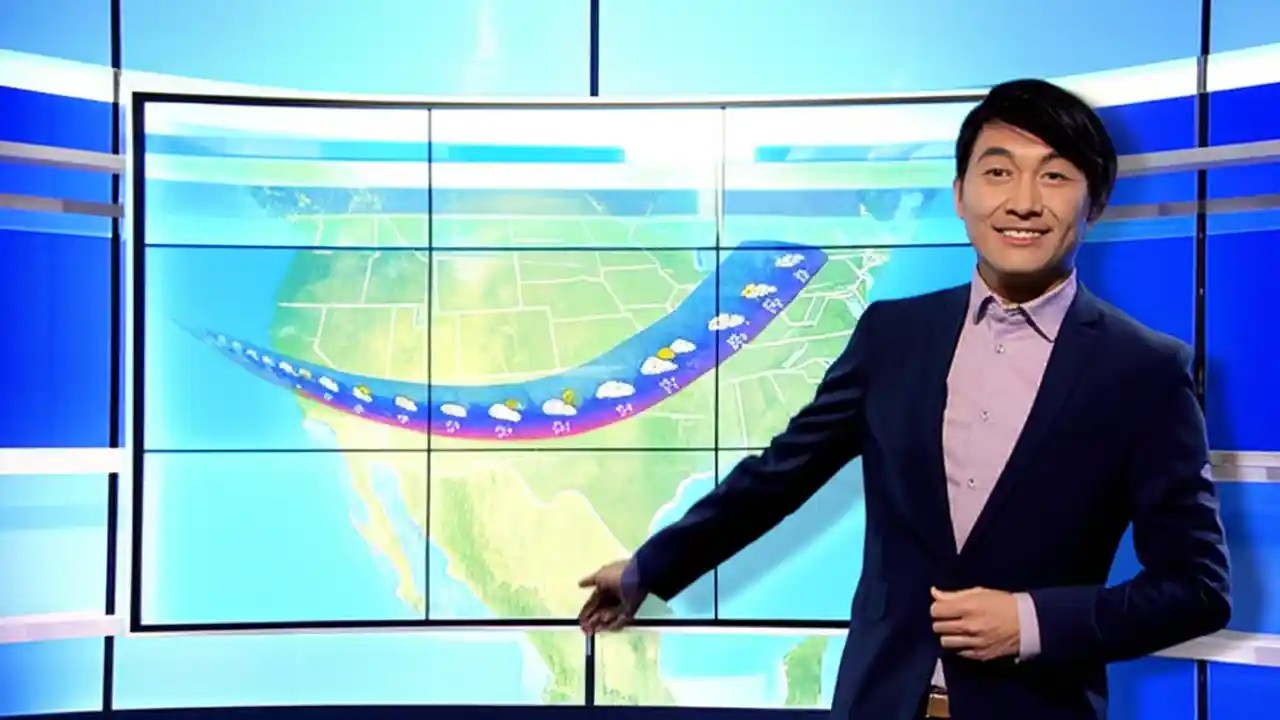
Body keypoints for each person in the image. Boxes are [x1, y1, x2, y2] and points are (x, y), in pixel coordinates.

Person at [576, 78, 1232, 720]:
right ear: (960, 194)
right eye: (998, 173)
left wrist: (1030, 621)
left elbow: (1196, 590)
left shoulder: (1145, 371)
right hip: (882, 698)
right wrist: (648, 569)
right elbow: (781, 474)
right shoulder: (893, 335)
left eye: (1055, 176)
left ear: (1095, 201)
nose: (1024, 202)